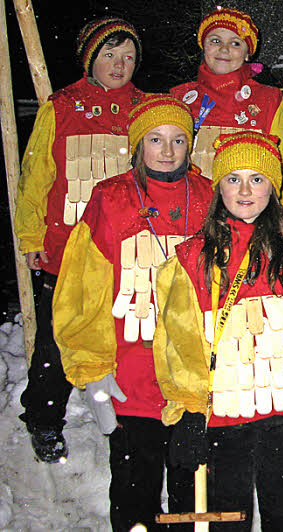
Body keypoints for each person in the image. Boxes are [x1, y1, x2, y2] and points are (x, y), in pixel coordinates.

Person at [153, 130, 283, 531]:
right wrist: (189, 411)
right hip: (225, 420)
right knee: (229, 519)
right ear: (218, 188)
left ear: (273, 188)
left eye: (257, 179)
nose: (245, 190)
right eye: (233, 179)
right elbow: (180, 343)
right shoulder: (193, 258)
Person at [53, 95, 209, 531]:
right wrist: (92, 366)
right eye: (156, 139)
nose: (167, 150)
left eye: (179, 140)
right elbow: (82, 290)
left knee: (190, 493)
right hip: (130, 376)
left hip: (191, 381)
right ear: (138, 145)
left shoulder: (210, 197)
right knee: (134, 488)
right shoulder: (110, 198)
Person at [14, 17, 144, 463]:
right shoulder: (61, 106)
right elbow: (36, 178)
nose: (119, 65)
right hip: (67, 248)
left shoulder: (149, 108)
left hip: (126, 249)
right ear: (91, 59)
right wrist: (32, 235)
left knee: (126, 334)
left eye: (128, 57)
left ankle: (125, 411)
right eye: (109, 54)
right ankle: (43, 418)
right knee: (57, 338)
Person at [170, 7, 283, 223]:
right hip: (186, 220)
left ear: (247, 53)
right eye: (215, 40)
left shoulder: (270, 102)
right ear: (203, 46)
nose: (224, 49)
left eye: (235, 43)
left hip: (250, 226)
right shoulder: (179, 99)